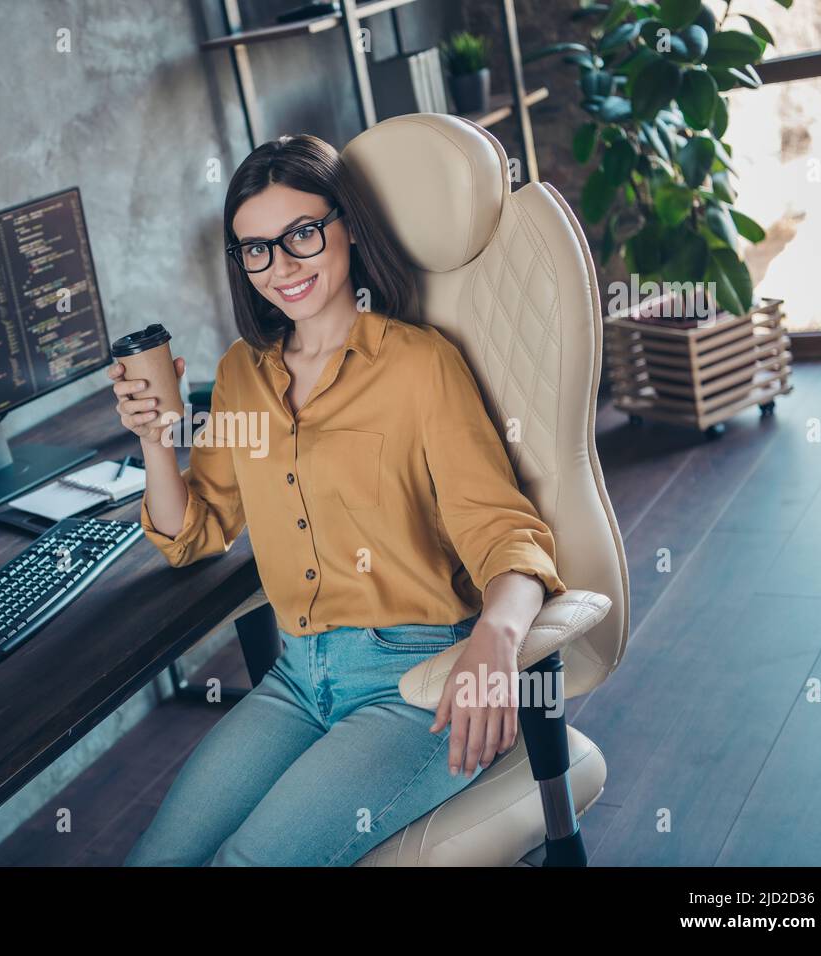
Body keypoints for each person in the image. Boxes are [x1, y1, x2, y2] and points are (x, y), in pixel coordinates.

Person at [112, 133, 566, 866]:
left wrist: (499, 637)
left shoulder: (421, 366)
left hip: (415, 681)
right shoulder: (242, 375)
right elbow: (193, 534)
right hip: (297, 678)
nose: (281, 266)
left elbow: (506, 533)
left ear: (345, 223)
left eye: (301, 234)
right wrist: (156, 441)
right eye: (254, 248)